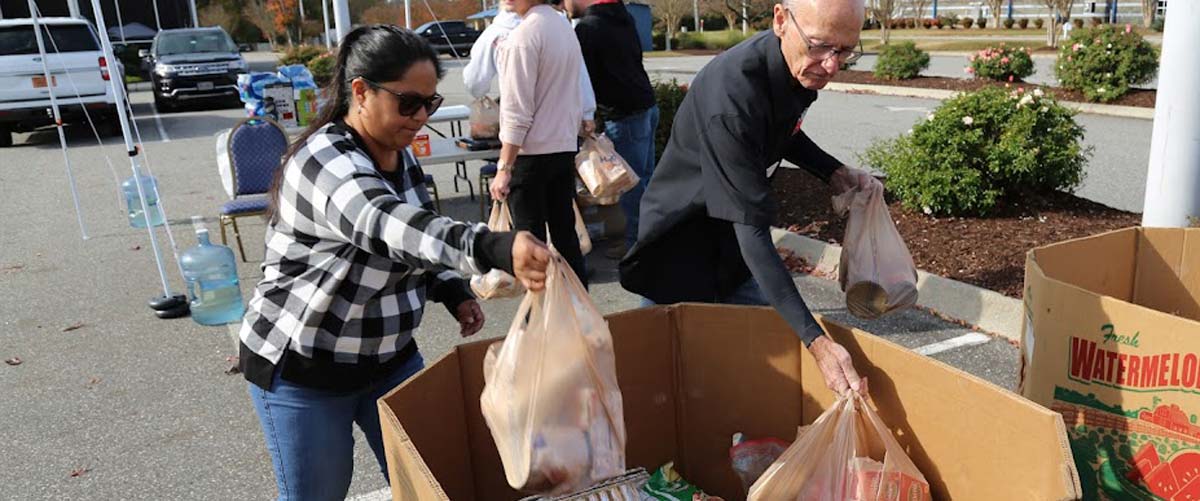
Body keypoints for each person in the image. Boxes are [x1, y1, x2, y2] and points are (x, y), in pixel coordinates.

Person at [238, 25, 551, 500]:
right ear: (360, 91)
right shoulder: (326, 160)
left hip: (388, 360)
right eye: (409, 103)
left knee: (433, 482)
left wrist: (449, 289)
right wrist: (493, 247)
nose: (421, 117)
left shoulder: (398, 155)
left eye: (431, 104)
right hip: (305, 370)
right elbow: (384, 224)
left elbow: (419, 229)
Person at [619, 0, 878, 396]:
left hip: (731, 247)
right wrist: (818, 342)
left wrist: (832, 171)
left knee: (748, 377)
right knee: (663, 381)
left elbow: (782, 130)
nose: (831, 66)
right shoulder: (733, 98)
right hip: (681, 246)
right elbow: (752, 231)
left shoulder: (793, 64)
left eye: (845, 51)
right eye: (821, 46)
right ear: (780, 20)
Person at [488, 0, 590, 285]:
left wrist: (504, 168)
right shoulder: (563, 27)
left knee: (531, 247)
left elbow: (516, 113)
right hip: (563, 147)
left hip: (531, 155)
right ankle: (579, 313)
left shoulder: (522, 37)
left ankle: (542, 319)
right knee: (566, 238)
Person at [564, 0, 658, 257]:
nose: (564, 4)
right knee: (645, 181)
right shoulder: (624, 17)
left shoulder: (587, 28)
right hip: (647, 106)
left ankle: (638, 247)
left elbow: (582, 81)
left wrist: (584, 116)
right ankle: (650, 238)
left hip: (623, 114)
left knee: (630, 186)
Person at [462, 4, 597, 130]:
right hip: (563, 124)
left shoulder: (496, 33)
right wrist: (587, 113)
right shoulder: (560, 24)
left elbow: (475, 82)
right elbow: (579, 72)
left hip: (520, 124)